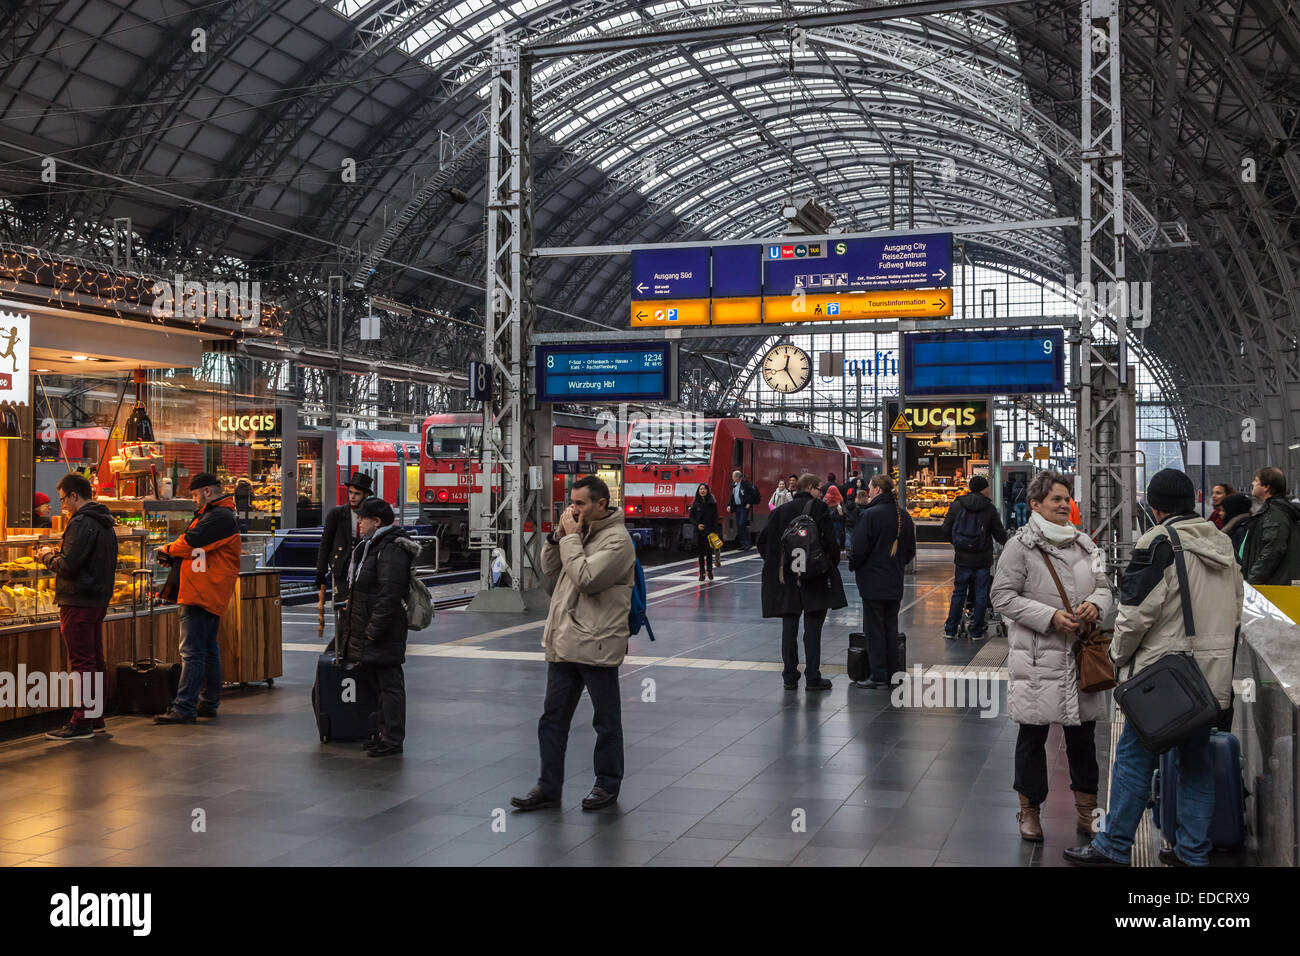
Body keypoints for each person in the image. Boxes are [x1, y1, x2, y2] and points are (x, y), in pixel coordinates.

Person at [1065, 469, 1241, 867]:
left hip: (1163, 679)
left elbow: (1133, 615)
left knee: (1133, 758)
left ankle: (1114, 845)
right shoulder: (1222, 543)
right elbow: (1236, 607)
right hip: (1209, 678)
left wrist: (1117, 656)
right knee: (1196, 765)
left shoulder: (1158, 542)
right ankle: (1192, 853)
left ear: (1155, 508)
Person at [990, 470, 1112, 843]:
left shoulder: (1085, 545)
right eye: (1056, 499)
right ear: (1036, 505)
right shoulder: (1020, 547)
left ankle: (1085, 810)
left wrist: (1095, 604)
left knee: (1083, 739)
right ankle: (1029, 812)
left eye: (1066, 499)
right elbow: (1002, 597)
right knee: (1032, 736)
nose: (1064, 505)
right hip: (1038, 658)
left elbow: (1107, 589)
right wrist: (1049, 617)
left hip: (1079, 659)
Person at [512, 475, 635, 812]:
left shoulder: (617, 541)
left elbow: (586, 579)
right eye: (572, 502)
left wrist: (571, 540)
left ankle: (607, 784)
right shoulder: (577, 535)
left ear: (601, 504)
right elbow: (550, 571)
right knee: (552, 720)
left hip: (597, 644)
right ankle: (548, 786)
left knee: (605, 722)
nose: (573, 510)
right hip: (565, 641)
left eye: (580, 504)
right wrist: (555, 539)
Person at [152, 472, 242, 725]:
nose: (193, 500)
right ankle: (208, 702)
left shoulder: (218, 516)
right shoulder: (217, 515)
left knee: (191, 652)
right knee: (207, 649)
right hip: (205, 590)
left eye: (194, 495)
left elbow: (189, 543)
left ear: (208, 492)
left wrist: (165, 549)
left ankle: (184, 707)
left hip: (201, 592)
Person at [35, 474, 116, 740]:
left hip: (78, 599)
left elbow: (69, 566)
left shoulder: (81, 523)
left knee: (82, 662)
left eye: (63, 500)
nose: (62, 507)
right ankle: (96, 716)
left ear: (74, 496)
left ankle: (82, 721)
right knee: (95, 659)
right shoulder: (104, 520)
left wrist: (47, 556)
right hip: (97, 598)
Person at [340, 498, 417, 757]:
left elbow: (389, 594)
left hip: (384, 630)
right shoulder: (372, 546)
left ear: (377, 522)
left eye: (363, 518)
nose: (358, 522)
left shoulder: (391, 549)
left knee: (390, 685)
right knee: (379, 685)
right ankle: (382, 733)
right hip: (369, 627)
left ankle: (393, 738)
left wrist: (373, 629)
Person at [759, 473, 847, 691]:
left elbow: (762, 543)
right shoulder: (818, 509)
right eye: (819, 489)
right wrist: (828, 565)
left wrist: (780, 563)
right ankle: (813, 677)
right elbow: (831, 542)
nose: (821, 493)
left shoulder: (779, 512)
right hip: (814, 578)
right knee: (813, 629)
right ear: (810, 488)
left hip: (787, 579)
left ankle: (789, 676)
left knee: (789, 629)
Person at [850, 475, 916, 688]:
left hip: (872, 582)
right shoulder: (903, 516)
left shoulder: (870, 515)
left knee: (874, 629)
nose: (867, 492)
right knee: (890, 627)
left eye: (869, 488)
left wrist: (856, 565)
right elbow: (910, 551)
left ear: (877, 489)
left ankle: (878, 675)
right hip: (894, 582)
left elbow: (858, 549)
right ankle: (893, 673)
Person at [940, 475, 1008, 641]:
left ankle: (950, 629)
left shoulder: (957, 504)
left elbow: (945, 529)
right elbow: (1000, 534)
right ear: (983, 489)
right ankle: (976, 630)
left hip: (962, 557)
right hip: (982, 559)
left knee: (959, 593)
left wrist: (957, 543)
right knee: (981, 593)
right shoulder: (989, 508)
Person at [316, 472, 374, 617]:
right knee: (343, 609)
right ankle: (343, 637)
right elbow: (326, 543)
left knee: (360, 610)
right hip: (342, 568)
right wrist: (321, 571)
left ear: (366, 495)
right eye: (350, 493)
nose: (352, 497)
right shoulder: (336, 514)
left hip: (365, 569)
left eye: (357, 494)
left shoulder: (373, 515)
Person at [1240, 466, 1300, 586]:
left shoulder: (1275, 514)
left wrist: (1252, 581)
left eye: (1256, 480)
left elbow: (1272, 550)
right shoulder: (1275, 511)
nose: (1252, 483)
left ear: (1266, 487)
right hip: (1277, 583)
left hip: (1273, 586)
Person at [688, 482, 720, 581]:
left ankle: (709, 571)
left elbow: (715, 517)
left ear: (707, 490)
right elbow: (691, 517)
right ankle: (701, 572)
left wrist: (715, 531)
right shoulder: (695, 503)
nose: (702, 491)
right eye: (701, 489)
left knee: (709, 553)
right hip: (699, 532)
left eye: (704, 489)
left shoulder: (712, 503)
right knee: (701, 553)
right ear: (698, 491)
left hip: (709, 531)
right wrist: (697, 525)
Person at [1218, 492, 1254, 568]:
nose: (1220, 513)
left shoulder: (1240, 531)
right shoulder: (1238, 527)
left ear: (1232, 511)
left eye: (1223, 510)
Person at [727, 469, 759, 551]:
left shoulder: (746, 484)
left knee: (742, 524)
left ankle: (747, 543)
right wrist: (729, 505)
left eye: (733, 476)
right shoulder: (734, 484)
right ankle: (743, 544)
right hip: (737, 507)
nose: (732, 478)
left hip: (744, 507)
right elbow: (732, 496)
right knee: (739, 525)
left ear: (738, 477)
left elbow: (753, 493)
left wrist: (749, 503)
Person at [824, 483, 845, 548]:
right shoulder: (840, 500)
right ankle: (837, 551)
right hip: (838, 522)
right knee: (837, 537)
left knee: (829, 538)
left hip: (828, 522)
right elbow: (843, 512)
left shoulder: (825, 500)